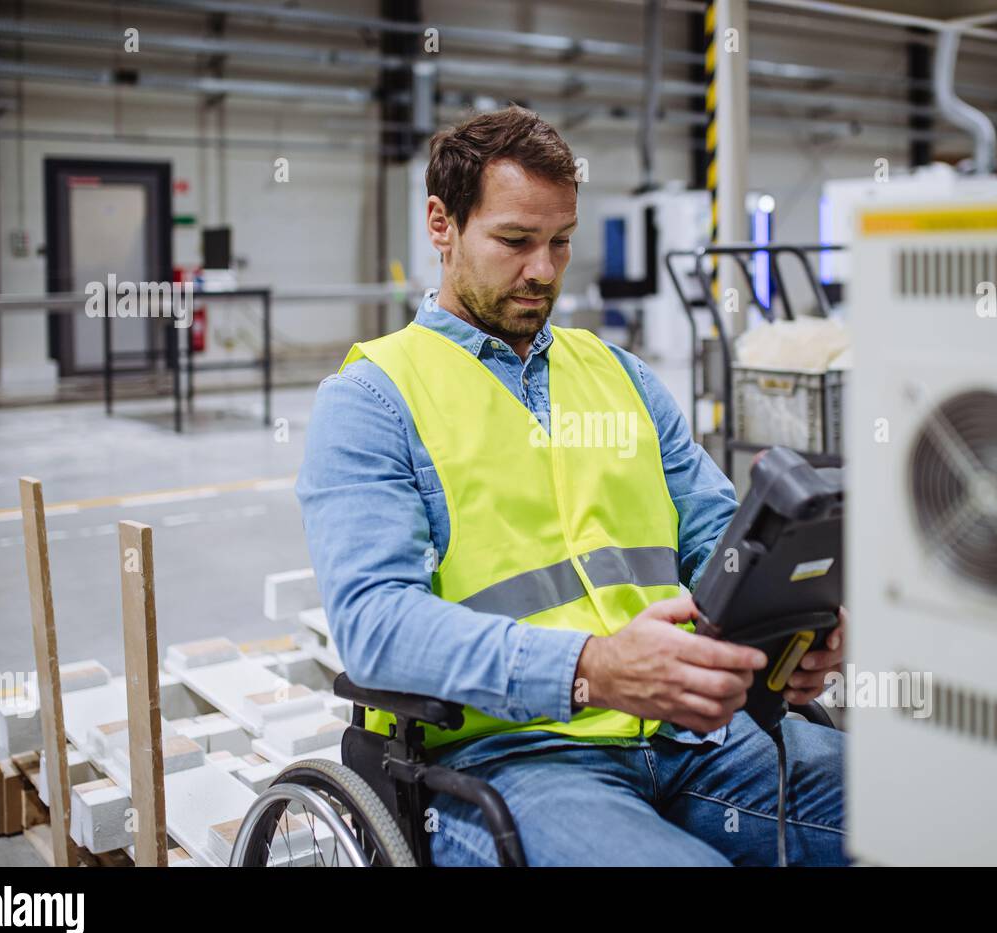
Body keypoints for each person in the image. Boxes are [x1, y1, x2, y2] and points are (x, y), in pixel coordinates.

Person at [297, 105, 848, 866]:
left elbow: (720, 538)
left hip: (694, 740)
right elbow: (376, 624)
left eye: (561, 242)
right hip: (515, 761)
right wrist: (591, 671)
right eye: (516, 241)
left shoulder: (620, 375)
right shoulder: (373, 399)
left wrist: (793, 623)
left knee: (936, 807)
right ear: (441, 224)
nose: (544, 271)